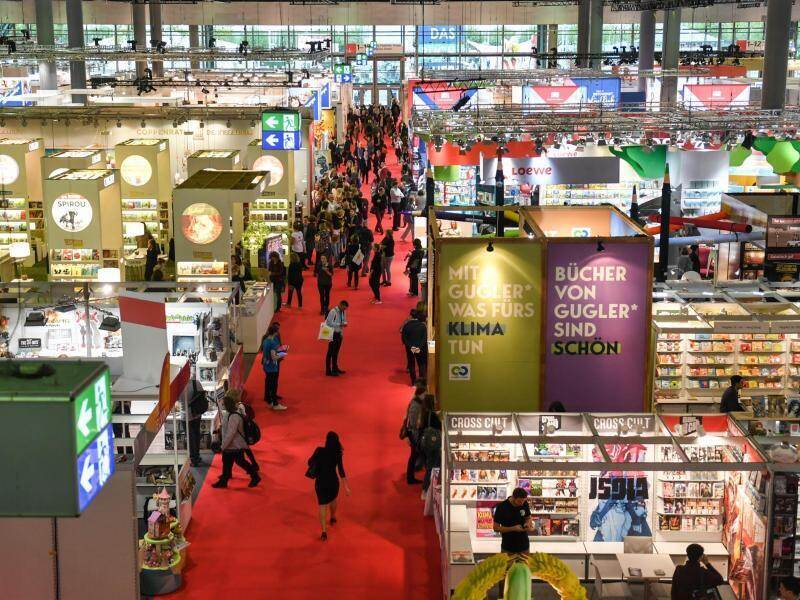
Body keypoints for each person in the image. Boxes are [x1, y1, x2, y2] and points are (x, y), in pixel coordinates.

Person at [211, 391, 261, 488]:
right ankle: (225, 479)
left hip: (234, 445)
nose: (222, 406)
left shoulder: (234, 416)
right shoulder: (231, 413)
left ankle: (254, 476)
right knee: (229, 462)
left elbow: (231, 434)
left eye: (224, 404)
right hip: (233, 445)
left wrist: (223, 446)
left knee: (238, 462)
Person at [308, 431, 350, 541]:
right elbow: (341, 470)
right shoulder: (338, 453)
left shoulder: (319, 451)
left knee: (322, 505)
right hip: (333, 482)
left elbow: (309, 462)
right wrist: (346, 486)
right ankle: (332, 517)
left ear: (326, 440)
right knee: (333, 500)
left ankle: (324, 532)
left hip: (321, 482)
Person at [492, 488, 533, 553]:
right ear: (513, 497)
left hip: (524, 546)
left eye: (523, 500)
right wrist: (513, 528)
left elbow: (528, 517)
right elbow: (496, 528)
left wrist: (528, 524)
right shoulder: (501, 507)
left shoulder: (524, 503)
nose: (522, 504)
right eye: (519, 501)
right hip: (508, 547)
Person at [402, 380, 426, 485]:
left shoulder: (415, 402)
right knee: (414, 455)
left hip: (413, 433)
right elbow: (414, 423)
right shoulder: (416, 405)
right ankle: (410, 477)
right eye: (424, 394)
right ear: (420, 394)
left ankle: (411, 474)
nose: (425, 396)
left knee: (414, 455)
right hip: (414, 434)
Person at [261, 323, 287, 411]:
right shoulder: (272, 343)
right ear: (275, 332)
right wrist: (283, 353)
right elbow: (274, 357)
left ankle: (269, 401)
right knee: (273, 385)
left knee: (269, 383)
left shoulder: (265, 340)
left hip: (266, 365)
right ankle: (275, 404)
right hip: (272, 367)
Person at [419, 393, 441, 491]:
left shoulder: (423, 413)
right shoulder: (432, 415)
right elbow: (440, 426)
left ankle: (428, 488)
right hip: (433, 443)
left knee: (429, 465)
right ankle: (426, 488)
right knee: (431, 467)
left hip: (425, 443)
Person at [400, 309, 427, 385]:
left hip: (410, 349)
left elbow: (404, 338)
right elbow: (424, 338)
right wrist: (419, 347)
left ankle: (413, 382)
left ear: (411, 316)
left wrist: (411, 347)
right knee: (421, 364)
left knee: (411, 365)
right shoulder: (422, 326)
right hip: (420, 349)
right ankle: (421, 382)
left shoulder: (406, 326)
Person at [187, 375, 208, 467]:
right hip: (197, 413)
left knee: (190, 438)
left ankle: (193, 459)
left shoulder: (180, 387)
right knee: (196, 435)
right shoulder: (196, 383)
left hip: (186, 416)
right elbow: (203, 396)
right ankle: (197, 456)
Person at [325, 300, 348, 376]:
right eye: (343, 308)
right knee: (330, 353)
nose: (344, 310)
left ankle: (335, 368)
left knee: (336, 353)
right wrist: (339, 324)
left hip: (339, 334)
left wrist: (344, 324)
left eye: (345, 309)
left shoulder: (343, 311)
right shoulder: (333, 311)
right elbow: (328, 323)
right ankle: (328, 370)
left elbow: (344, 320)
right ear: (340, 305)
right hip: (332, 334)